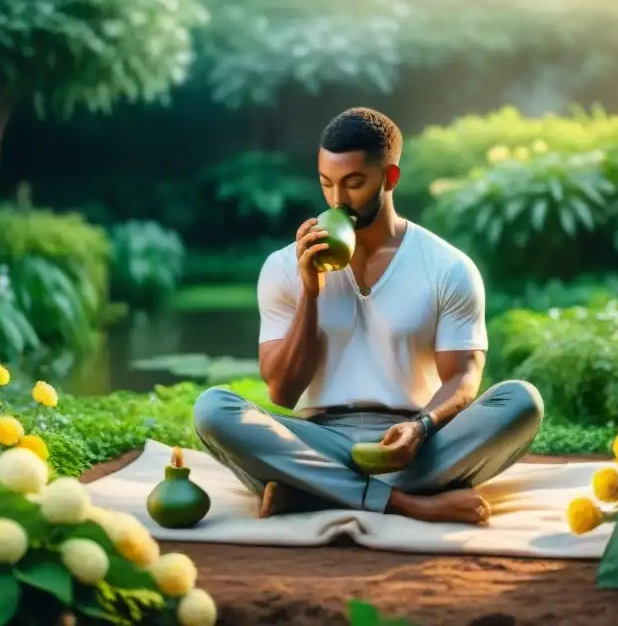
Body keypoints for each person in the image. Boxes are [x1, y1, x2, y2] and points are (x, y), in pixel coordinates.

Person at [193, 107, 543, 525]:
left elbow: (462, 377)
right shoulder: (284, 267)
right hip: (318, 438)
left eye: (354, 183)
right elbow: (282, 392)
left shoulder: (448, 267)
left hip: (413, 444)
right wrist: (311, 291)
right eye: (327, 184)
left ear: (389, 179)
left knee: (522, 401)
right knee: (213, 409)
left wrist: (421, 427)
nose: (338, 201)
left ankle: (311, 491)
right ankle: (409, 504)